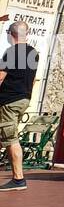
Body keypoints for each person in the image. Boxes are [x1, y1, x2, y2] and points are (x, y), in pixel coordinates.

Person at [0, 18, 39, 192]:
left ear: (11, 34)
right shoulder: (33, 53)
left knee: (10, 139)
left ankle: (18, 178)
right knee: (4, 133)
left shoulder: (11, 52)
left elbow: (1, 76)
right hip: (23, 98)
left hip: (9, 100)